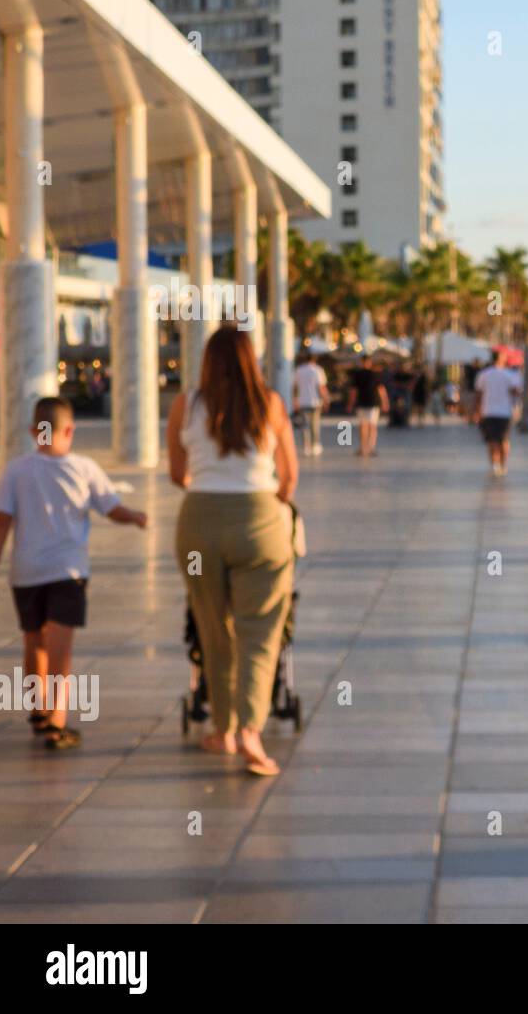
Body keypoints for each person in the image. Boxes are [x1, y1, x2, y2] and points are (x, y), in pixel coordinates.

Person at [167, 327, 297, 777]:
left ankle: (222, 729)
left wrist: (210, 487)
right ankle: (250, 734)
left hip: (199, 520)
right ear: (252, 359)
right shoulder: (272, 404)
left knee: (212, 628)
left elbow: (176, 473)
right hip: (259, 520)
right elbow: (290, 477)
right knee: (259, 632)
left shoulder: (186, 404)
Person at [0, 398, 147, 749]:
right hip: (68, 571)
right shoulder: (84, 468)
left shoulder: (16, 470)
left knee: (34, 639)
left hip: (26, 572)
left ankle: (38, 710)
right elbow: (112, 509)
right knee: (60, 648)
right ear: (70, 430)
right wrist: (136, 517)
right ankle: (56, 723)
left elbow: (2, 521)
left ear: (35, 431)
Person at [473, 350, 523, 477]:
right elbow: (516, 393)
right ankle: (503, 465)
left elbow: (478, 395)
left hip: (488, 411)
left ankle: (494, 466)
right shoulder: (509, 375)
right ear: (502, 359)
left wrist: (477, 411)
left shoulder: (483, 374)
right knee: (504, 440)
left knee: (492, 441)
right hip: (505, 412)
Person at [347, 354, 389, 458]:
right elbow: (381, 389)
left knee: (364, 426)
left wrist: (350, 404)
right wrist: (385, 402)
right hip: (372, 402)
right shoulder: (375, 374)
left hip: (365, 402)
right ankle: (370, 447)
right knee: (371, 426)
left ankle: (364, 447)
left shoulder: (358, 374)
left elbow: (353, 391)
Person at [292, 350, 329, 457]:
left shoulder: (299, 370)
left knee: (304, 424)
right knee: (315, 424)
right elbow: (321, 387)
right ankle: (315, 445)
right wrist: (326, 399)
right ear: (314, 360)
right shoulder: (318, 370)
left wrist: (295, 400)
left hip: (302, 400)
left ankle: (306, 446)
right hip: (315, 401)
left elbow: (295, 387)